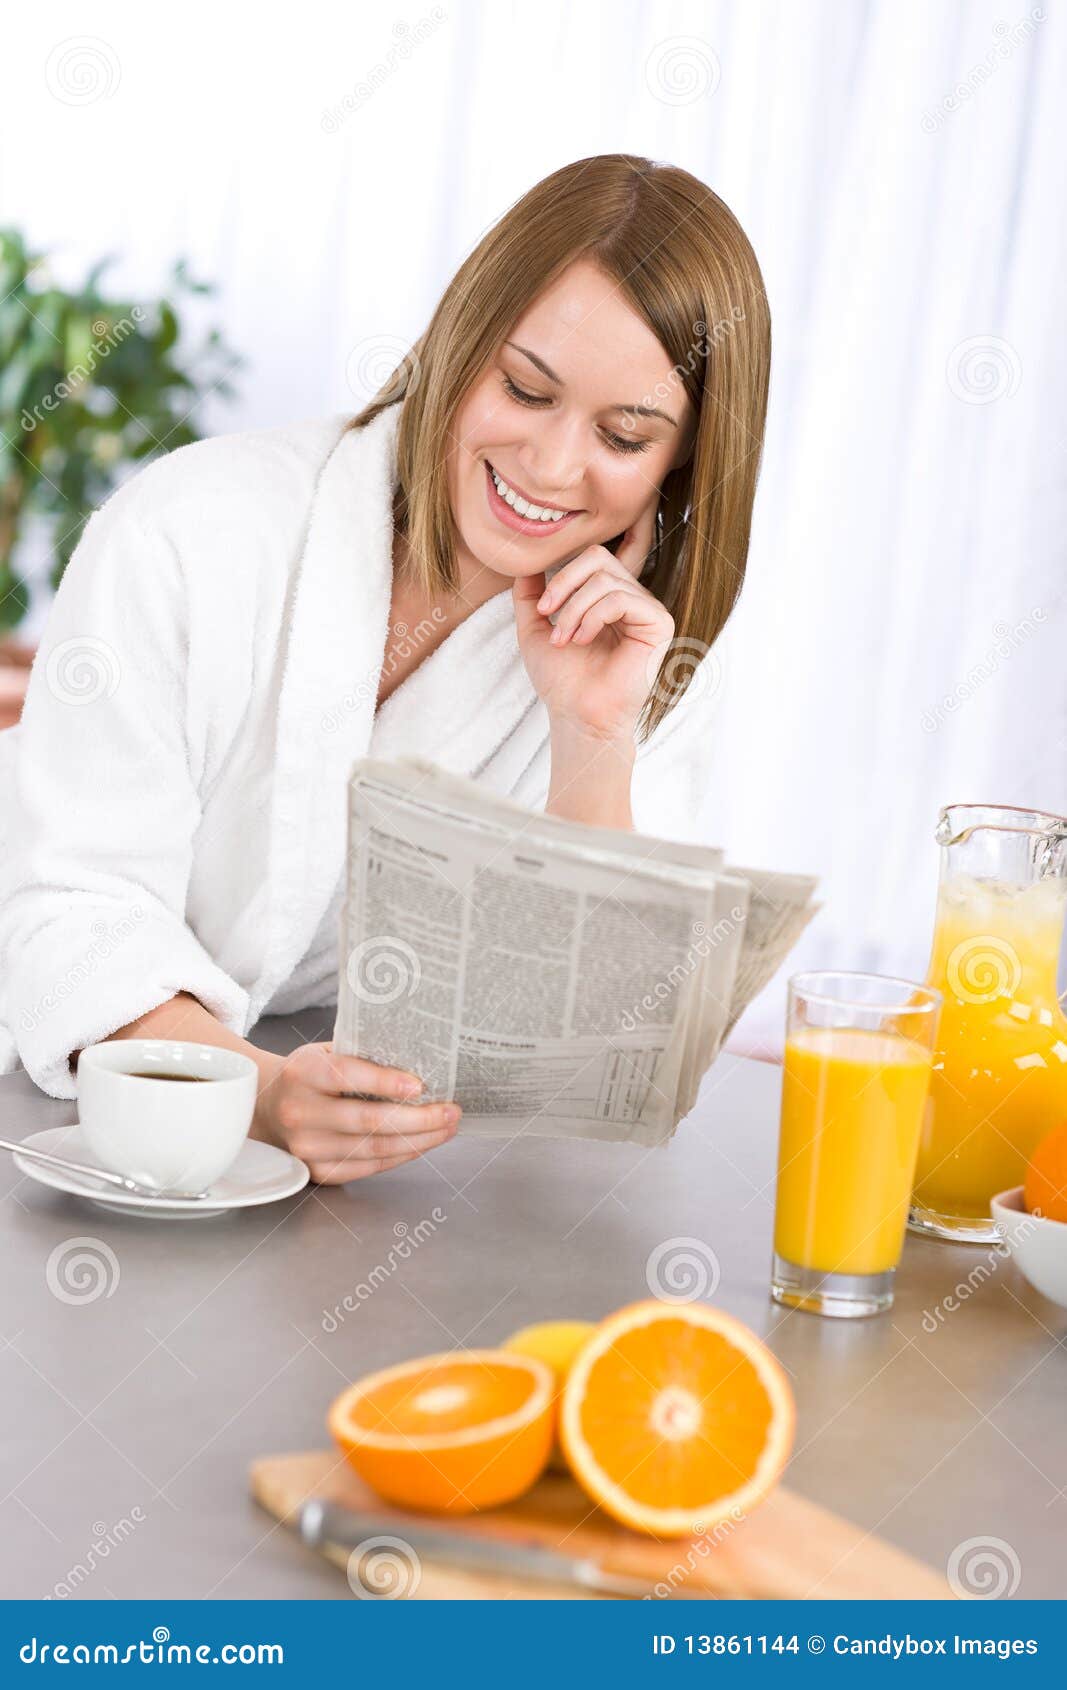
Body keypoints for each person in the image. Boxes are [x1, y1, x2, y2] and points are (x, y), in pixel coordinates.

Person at [0, 153, 770, 1184]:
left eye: (623, 436)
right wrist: (262, 1095)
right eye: (523, 388)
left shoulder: (637, 660)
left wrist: (590, 740)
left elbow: (597, 1052)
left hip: (339, 1185)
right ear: (458, 341)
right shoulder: (188, 531)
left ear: (681, 459)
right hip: (54, 1084)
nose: (549, 466)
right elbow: (71, 902)